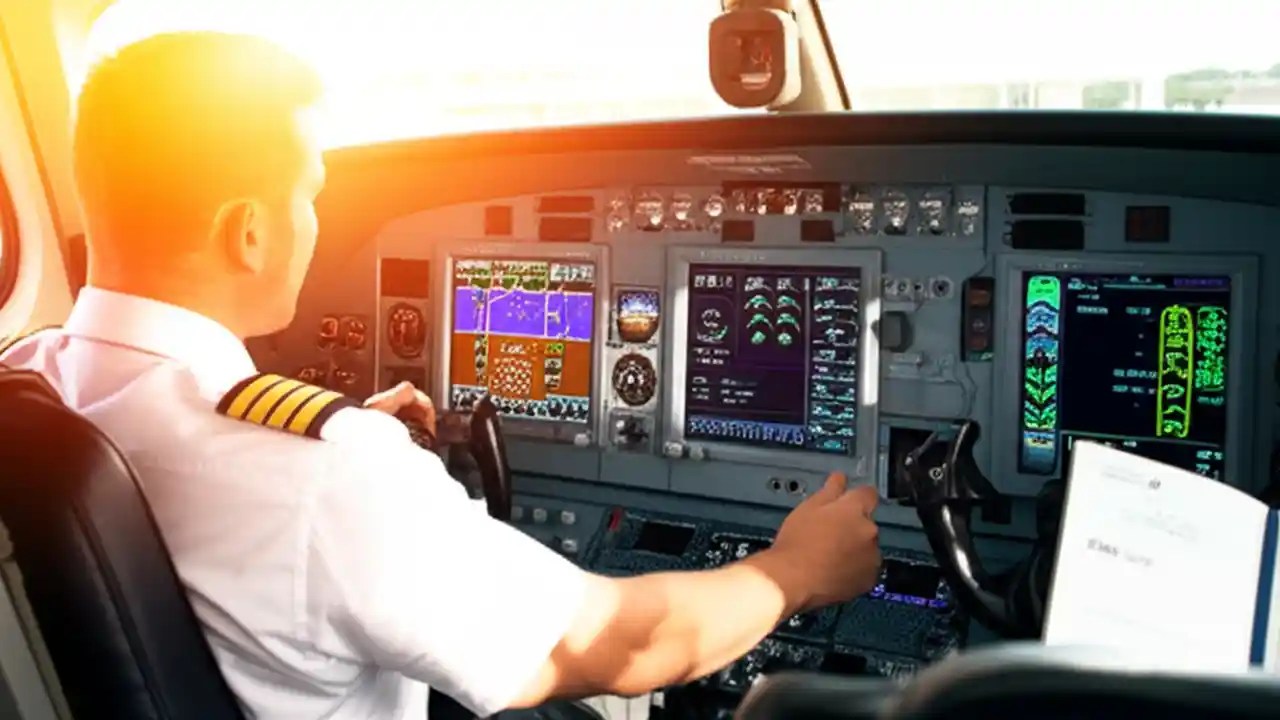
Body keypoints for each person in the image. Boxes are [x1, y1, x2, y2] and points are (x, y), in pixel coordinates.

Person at [0, 31, 882, 719]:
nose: (315, 220)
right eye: (307, 192)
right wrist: (796, 570)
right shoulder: (326, 476)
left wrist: (351, 438)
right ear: (250, 233)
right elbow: (620, 644)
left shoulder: (28, 383)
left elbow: (210, 464)